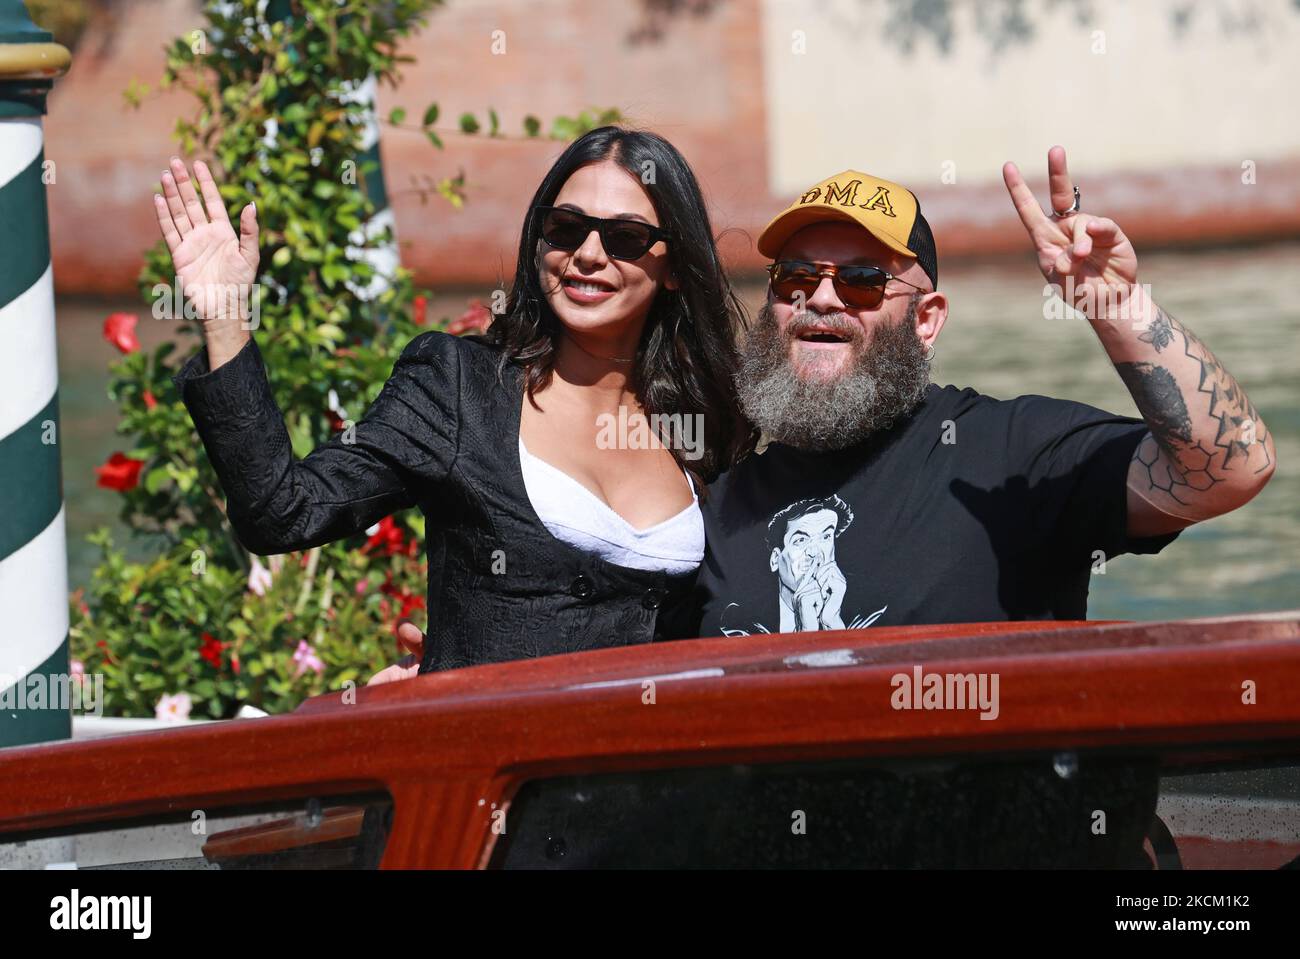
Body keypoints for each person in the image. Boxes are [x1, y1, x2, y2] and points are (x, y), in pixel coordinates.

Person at [159, 126, 754, 674]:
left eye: (626, 238)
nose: (589, 255)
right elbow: (283, 512)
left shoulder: (705, 424)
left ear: (675, 268)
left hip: (647, 782)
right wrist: (226, 320)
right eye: (567, 228)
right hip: (488, 776)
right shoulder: (458, 388)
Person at [692, 147, 1275, 636]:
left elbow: (1229, 470)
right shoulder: (711, 499)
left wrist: (1118, 306)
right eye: (795, 277)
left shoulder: (1007, 458)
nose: (821, 298)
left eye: (863, 281)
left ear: (927, 321)